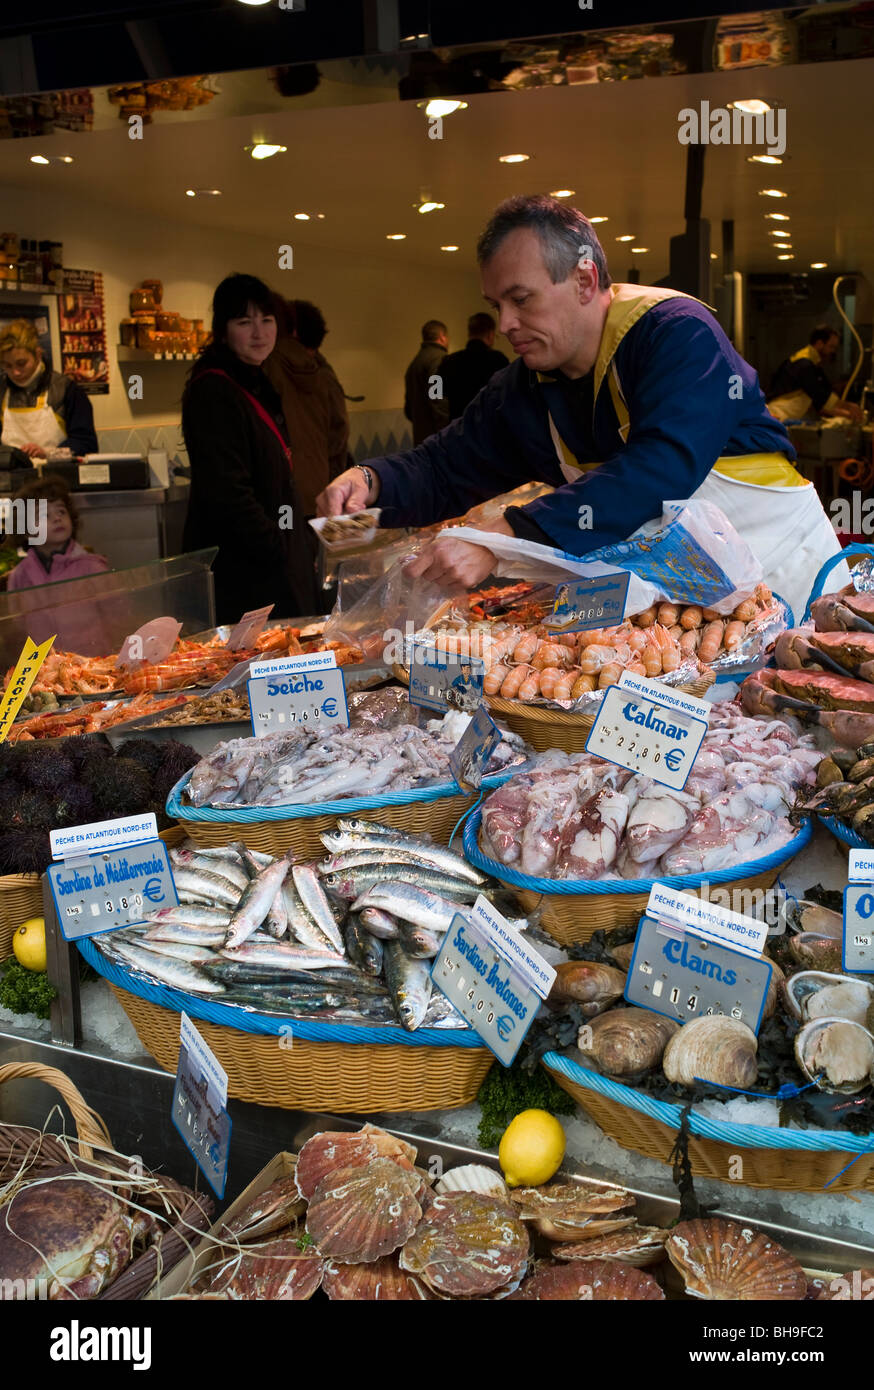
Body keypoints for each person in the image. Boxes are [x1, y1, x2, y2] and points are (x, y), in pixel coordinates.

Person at [318, 195, 845, 617]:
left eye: (521, 299)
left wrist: (502, 537)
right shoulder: (521, 388)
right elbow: (444, 466)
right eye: (496, 306)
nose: (504, 324)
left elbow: (659, 470)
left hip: (786, 576)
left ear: (585, 280)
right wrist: (371, 480)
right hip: (678, 613)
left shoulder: (676, 333)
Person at [181, 274, 318, 625]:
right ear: (223, 331)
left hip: (273, 559)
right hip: (245, 572)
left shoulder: (259, 380)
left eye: (267, 320)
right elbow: (228, 495)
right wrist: (281, 548)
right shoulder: (213, 391)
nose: (260, 333)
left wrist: (302, 540)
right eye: (245, 322)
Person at [265, 298, 350, 518]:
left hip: (279, 495)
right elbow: (338, 433)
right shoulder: (321, 372)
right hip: (319, 492)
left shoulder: (265, 366)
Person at [0, 318, 97, 457]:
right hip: (10, 477)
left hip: (58, 476)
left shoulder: (67, 390)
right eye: (7, 365)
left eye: (21, 363)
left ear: (38, 355)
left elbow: (86, 444)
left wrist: (49, 453)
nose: (15, 372)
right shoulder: (1, 390)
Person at [6, 473, 108, 590]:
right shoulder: (19, 577)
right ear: (25, 531)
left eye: (61, 511)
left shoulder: (93, 568)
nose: (57, 518)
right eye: (44, 515)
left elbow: (117, 607)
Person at [767, 325, 864, 423]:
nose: (833, 351)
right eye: (831, 347)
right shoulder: (803, 363)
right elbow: (820, 397)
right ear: (819, 343)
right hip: (778, 415)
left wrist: (848, 412)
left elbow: (823, 395)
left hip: (788, 417)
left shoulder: (812, 364)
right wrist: (849, 407)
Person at [442, 312, 509, 421]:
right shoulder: (498, 360)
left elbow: (434, 394)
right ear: (490, 335)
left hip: (457, 429)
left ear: (469, 334)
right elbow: (507, 396)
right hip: (489, 428)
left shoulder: (449, 361)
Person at [404, 319, 450, 445]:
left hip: (421, 437)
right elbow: (437, 398)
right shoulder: (438, 360)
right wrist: (447, 430)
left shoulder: (415, 362)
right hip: (436, 438)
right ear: (442, 337)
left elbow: (408, 409)